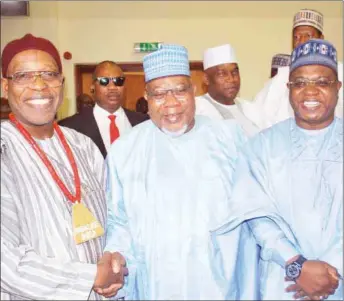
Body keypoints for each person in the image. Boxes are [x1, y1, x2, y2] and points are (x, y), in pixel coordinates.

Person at [96, 44, 260, 300]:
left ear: (194, 91)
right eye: (159, 94)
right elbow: (119, 221)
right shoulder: (125, 150)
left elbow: (255, 210)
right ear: (147, 97)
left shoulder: (229, 140)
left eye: (180, 91)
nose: (171, 103)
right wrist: (116, 257)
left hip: (221, 283)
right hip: (158, 283)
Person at [211, 39, 342, 300]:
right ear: (288, 89)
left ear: (338, 87)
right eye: (300, 83)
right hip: (283, 280)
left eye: (322, 82)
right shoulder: (262, 145)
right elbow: (256, 215)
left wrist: (332, 269)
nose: (311, 92)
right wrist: (295, 264)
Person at [1, 33, 126, 300]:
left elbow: (113, 217)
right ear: (4, 86)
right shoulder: (4, 149)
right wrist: (88, 277)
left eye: (48, 74)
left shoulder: (83, 145)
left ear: (62, 83)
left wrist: (113, 259)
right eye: (23, 76)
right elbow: (5, 261)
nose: (39, 86)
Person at [247, 8, 343, 130]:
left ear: (321, 38)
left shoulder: (339, 71)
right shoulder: (282, 77)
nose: (301, 42)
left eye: (308, 36)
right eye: (296, 37)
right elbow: (259, 115)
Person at [59, 61, 149, 158]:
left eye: (118, 81)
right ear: (92, 87)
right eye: (104, 81)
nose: (112, 87)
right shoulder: (69, 128)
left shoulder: (145, 123)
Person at [195, 43, 259, 136]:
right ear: (206, 79)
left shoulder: (249, 108)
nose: (231, 79)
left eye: (234, 72)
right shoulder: (198, 109)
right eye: (222, 74)